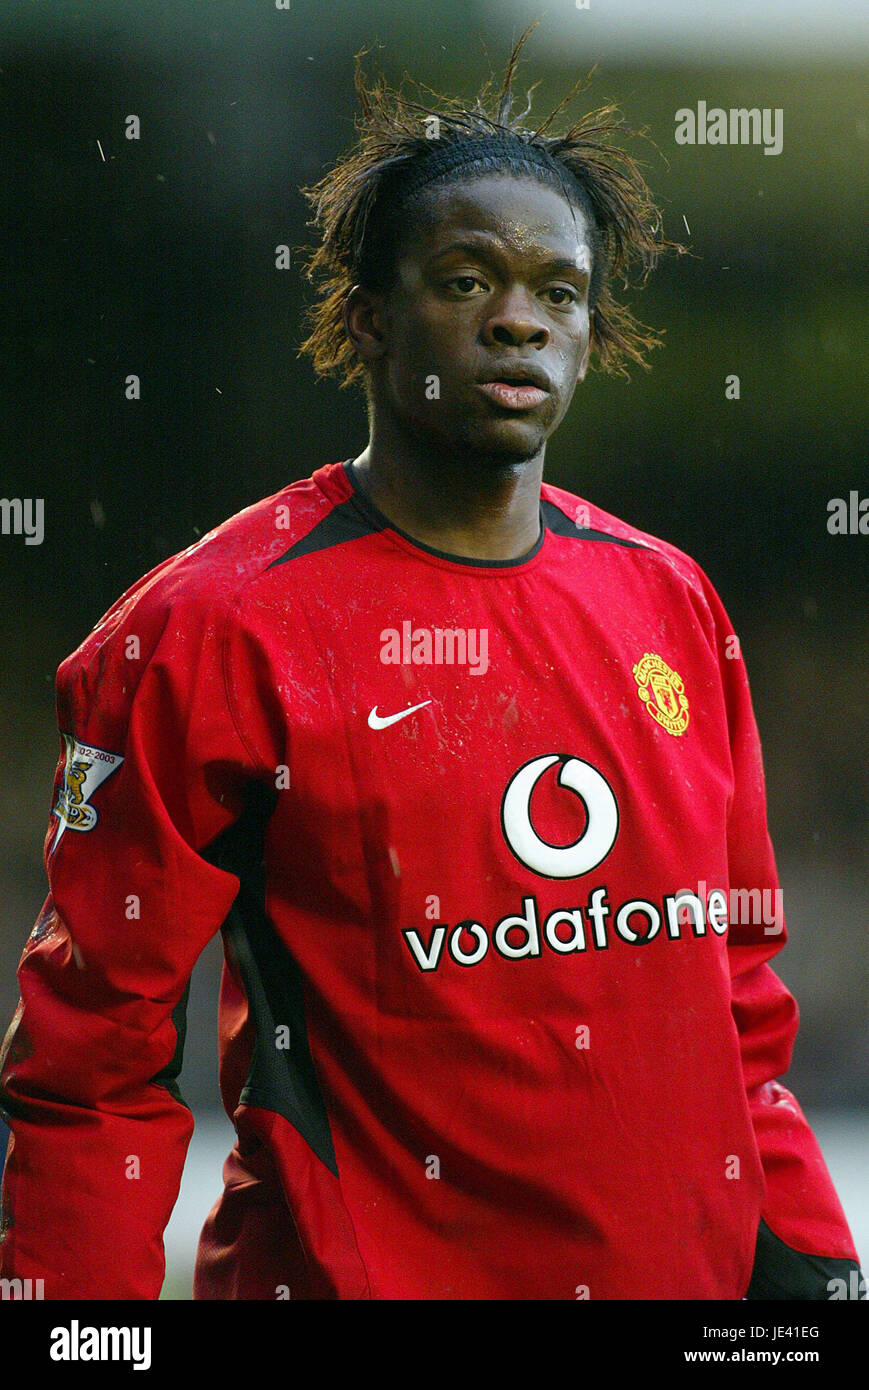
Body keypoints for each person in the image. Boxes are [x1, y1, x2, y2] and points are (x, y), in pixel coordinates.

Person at [0, 27, 862, 1301]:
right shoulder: (211, 630)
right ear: (366, 319)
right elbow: (90, 1061)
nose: (517, 319)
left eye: (557, 292)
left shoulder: (667, 602)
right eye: (465, 281)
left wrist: (813, 1281)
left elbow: (732, 1003)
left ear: (588, 334)